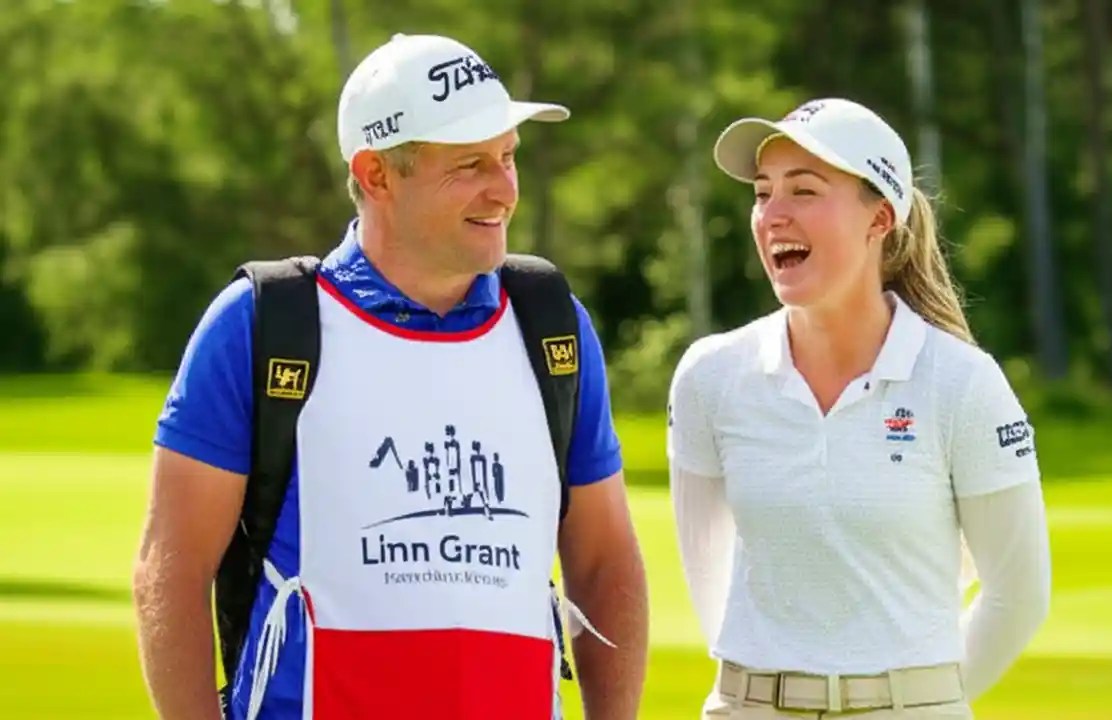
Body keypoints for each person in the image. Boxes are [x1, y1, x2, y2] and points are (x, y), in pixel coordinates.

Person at [132, 33, 648, 720]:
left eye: (508, 157)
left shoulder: (552, 325)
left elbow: (605, 560)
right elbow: (170, 568)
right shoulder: (261, 324)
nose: (504, 190)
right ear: (376, 175)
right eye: (469, 165)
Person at [667, 98, 1051, 719]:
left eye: (805, 190)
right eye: (763, 193)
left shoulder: (961, 383)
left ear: (879, 219)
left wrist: (920, 701)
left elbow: (1019, 594)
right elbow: (709, 576)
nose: (774, 214)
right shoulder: (710, 376)